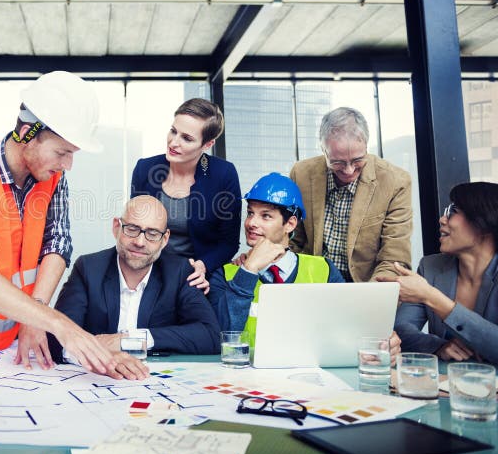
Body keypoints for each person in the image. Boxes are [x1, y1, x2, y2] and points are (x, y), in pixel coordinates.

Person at [0, 70, 116, 375]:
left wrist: (36, 316)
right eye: (62, 152)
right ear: (26, 133)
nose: (67, 165)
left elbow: (58, 243)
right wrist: (58, 324)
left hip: (27, 333)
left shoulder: (53, 178)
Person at [49, 196, 220, 373]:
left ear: (165, 238)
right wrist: (103, 358)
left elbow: (211, 336)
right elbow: (56, 339)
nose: (139, 242)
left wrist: (128, 340)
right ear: (117, 227)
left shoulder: (180, 272)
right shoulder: (88, 268)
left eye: (152, 234)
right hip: (98, 380)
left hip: (155, 382)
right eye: (132, 229)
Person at [208, 173, 347, 342]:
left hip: (308, 367)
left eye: (265, 216)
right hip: (245, 367)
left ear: (290, 224)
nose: (251, 223)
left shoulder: (324, 270)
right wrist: (248, 271)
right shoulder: (224, 275)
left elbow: (344, 328)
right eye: (250, 213)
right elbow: (222, 338)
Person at [289, 107, 412, 283]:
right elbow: (293, 240)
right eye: (337, 162)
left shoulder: (395, 182)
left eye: (357, 160)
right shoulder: (301, 174)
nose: (348, 170)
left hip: (367, 286)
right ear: (323, 150)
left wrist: (366, 297)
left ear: (366, 146)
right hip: (312, 284)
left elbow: (394, 256)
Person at [131, 98, 241, 294]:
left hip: (197, 274)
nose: (174, 142)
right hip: (150, 271)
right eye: (173, 131)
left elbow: (228, 242)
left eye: (187, 138)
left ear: (207, 144)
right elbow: (134, 228)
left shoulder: (223, 174)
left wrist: (203, 265)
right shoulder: (145, 169)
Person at [382, 182, 498, 363]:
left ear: (483, 223)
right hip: (447, 384)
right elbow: (402, 328)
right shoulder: (431, 267)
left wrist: (432, 297)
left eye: (454, 212)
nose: (442, 219)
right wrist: (437, 346)